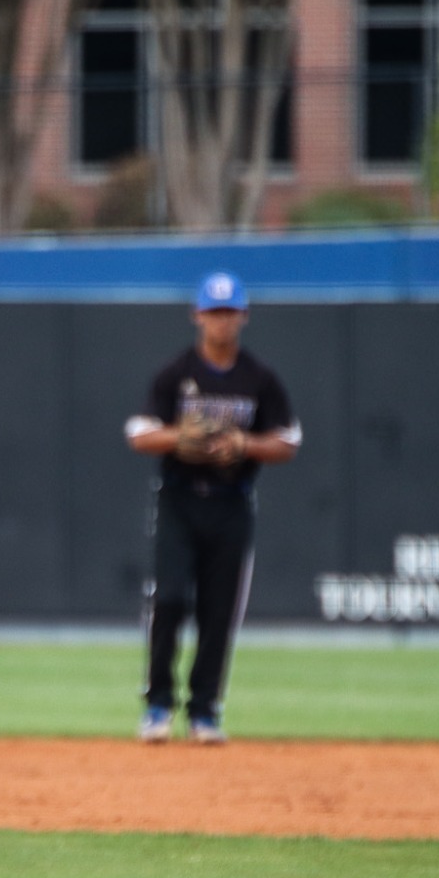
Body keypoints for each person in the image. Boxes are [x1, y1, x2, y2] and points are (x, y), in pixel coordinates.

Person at [124, 271, 300, 744]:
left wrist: (245, 444)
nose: (221, 321)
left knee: (219, 611)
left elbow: (288, 440)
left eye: (229, 312)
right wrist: (182, 437)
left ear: (243, 316)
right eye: (213, 311)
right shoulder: (177, 374)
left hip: (232, 503)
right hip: (180, 498)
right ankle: (158, 704)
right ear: (197, 315)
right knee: (170, 599)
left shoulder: (258, 378)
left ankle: (204, 711)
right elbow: (139, 433)